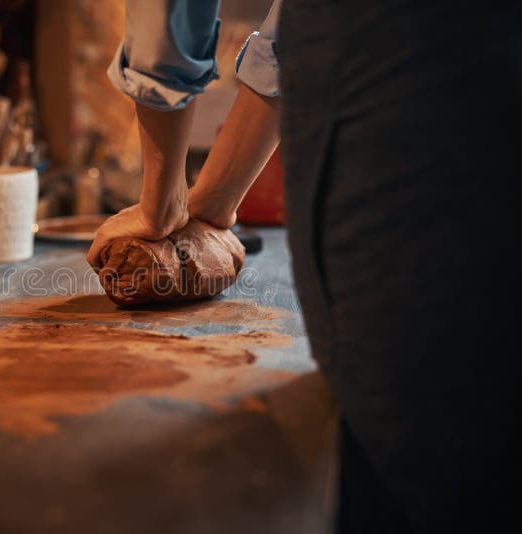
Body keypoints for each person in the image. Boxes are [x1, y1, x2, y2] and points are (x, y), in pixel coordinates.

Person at [87, 0, 521, 532]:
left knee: (420, 433)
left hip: (407, 61)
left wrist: (161, 203)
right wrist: (210, 206)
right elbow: (291, 30)